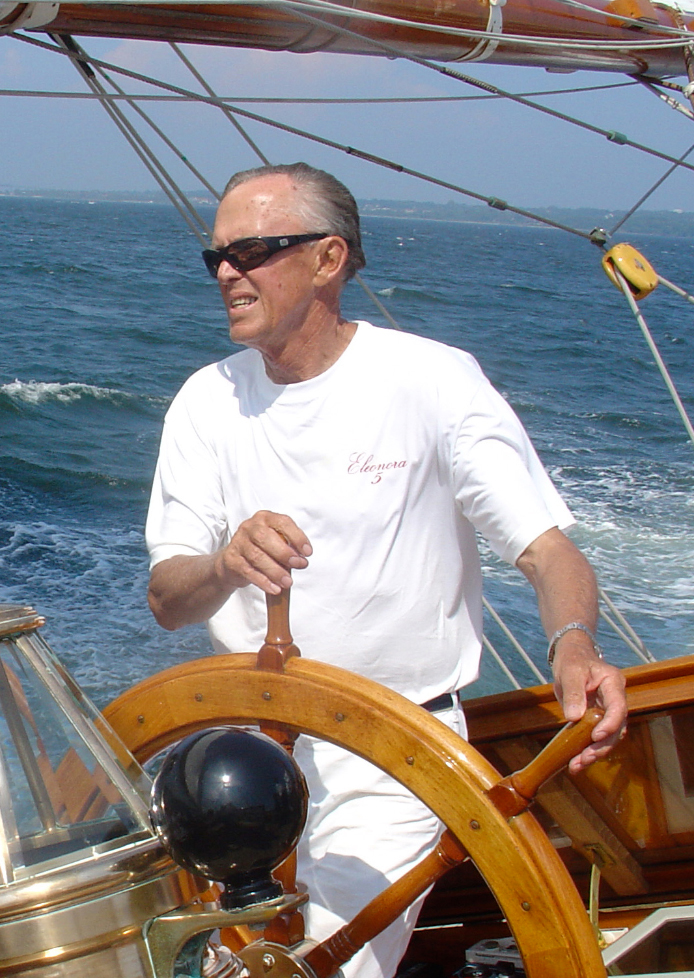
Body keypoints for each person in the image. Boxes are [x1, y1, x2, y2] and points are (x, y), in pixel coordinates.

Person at [146, 162, 627, 978]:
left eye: (253, 249)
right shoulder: (205, 400)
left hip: (394, 749)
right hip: (237, 755)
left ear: (329, 259)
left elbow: (547, 550)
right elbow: (168, 599)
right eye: (217, 255)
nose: (227, 271)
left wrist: (573, 645)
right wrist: (227, 564)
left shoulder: (432, 381)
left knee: (325, 965)